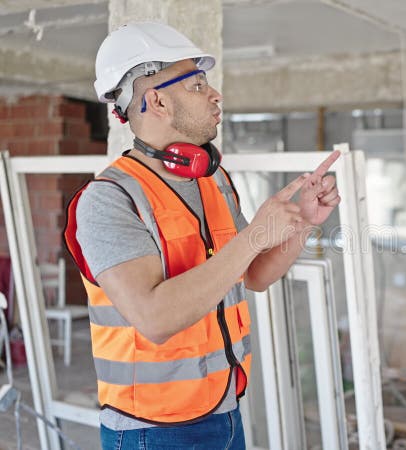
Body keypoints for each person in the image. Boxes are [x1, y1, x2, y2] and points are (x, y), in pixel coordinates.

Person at [63, 22, 341, 449]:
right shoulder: (108, 200)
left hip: (224, 408)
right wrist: (253, 237)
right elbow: (155, 319)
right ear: (155, 100)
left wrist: (302, 221)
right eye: (196, 84)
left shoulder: (214, 181)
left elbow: (256, 275)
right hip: (151, 430)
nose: (215, 95)